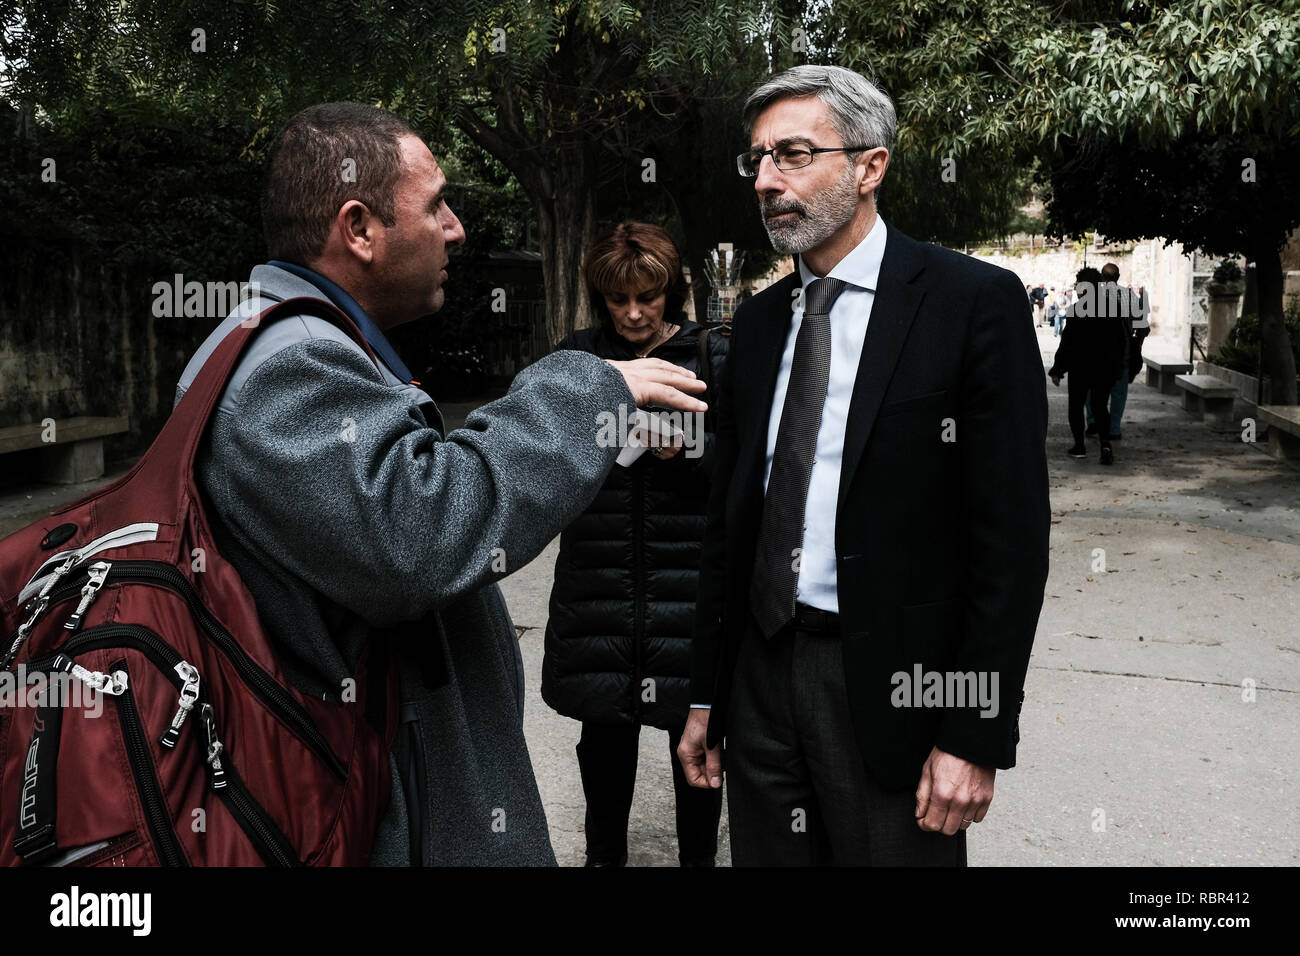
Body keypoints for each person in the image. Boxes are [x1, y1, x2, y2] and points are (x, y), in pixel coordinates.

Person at [172, 103, 707, 866]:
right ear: (358, 228)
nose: (456, 228)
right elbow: (420, 534)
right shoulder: (290, 366)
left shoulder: (305, 341)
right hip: (393, 820)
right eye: (436, 206)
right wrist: (590, 390)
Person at [677, 65, 1050, 866]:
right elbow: (729, 525)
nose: (767, 180)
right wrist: (707, 691)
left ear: (869, 166)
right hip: (762, 679)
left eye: (794, 154)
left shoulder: (971, 303)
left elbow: (1010, 543)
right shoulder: (759, 322)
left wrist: (973, 731)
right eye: (758, 160)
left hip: (896, 690)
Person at [541, 222, 727, 867]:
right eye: (619, 300)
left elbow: (748, 472)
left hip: (688, 589)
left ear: (670, 291)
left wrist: (685, 449)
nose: (633, 313)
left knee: (696, 742)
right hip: (601, 584)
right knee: (604, 742)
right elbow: (540, 460)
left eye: (647, 297)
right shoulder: (575, 360)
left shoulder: (710, 356)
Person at [1049, 266, 1129, 464]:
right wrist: (1120, 364)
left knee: (1076, 406)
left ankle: (1079, 446)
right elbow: (1121, 339)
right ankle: (1105, 444)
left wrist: (1059, 368)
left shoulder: (1077, 310)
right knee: (1100, 406)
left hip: (1081, 367)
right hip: (1105, 367)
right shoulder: (1114, 308)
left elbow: (1068, 341)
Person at [1085, 264, 1148, 439]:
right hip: (1123, 349)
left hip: (1096, 349)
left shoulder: (1093, 296)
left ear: (1102, 277)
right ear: (1118, 276)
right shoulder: (1129, 296)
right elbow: (1142, 325)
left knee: (1092, 386)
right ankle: (1114, 428)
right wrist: (1137, 345)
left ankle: (1093, 422)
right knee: (1119, 390)